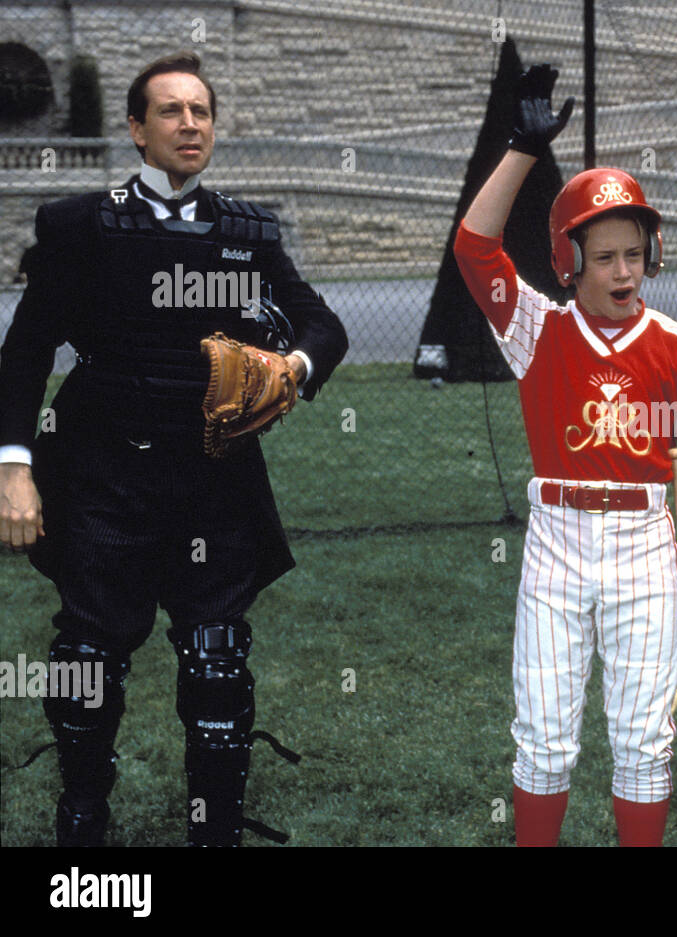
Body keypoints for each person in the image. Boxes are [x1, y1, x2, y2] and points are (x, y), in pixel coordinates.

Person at [0, 51, 349, 846]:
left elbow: (324, 325)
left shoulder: (245, 231)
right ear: (136, 129)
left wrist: (289, 366)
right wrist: (14, 467)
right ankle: (82, 816)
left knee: (218, 658)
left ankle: (214, 827)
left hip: (212, 475)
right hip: (99, 471)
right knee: (87, 652)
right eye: (170, 111)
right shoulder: (78, 226)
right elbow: (22, 356)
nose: (190, 124)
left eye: (201, 111)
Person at [454, 64, 677, 846]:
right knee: (544, 731)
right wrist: (520, 150)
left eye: (635, 254)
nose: (622, 271)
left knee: (645, 738)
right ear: (568, 260)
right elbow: (475, 248)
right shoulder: (537, 330)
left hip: (649, 546)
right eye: (604, 256)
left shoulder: (676, 345)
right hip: (557, 539)